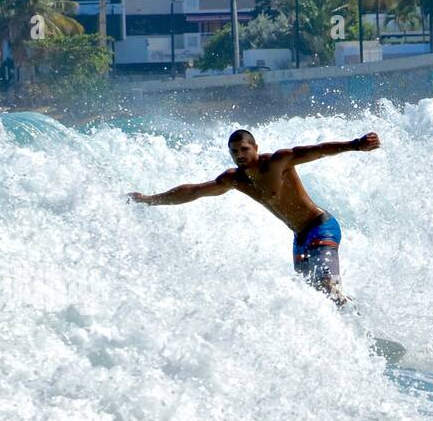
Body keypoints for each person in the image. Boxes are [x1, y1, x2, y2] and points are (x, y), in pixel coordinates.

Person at [129, 128, 381, 307]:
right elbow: (194, 191)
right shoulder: (234, 179)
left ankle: (358, 322)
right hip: (300, 237)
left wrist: (355, 145)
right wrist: (151, 199)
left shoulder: (277, 162)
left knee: (327, 285)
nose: (239, 154)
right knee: (315, 294)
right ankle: (347, 323)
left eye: (244, 149)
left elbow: (316, 151)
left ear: (256, 148)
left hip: (321, 227)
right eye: (234, 151)